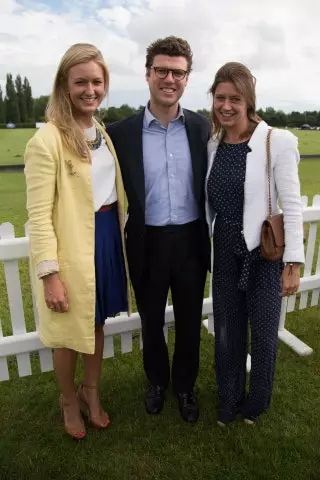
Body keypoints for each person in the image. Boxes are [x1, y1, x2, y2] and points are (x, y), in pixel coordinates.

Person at [24, 43, 131, 439]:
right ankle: (68, 399)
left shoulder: (100, 132)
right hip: (71, 247)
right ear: (64, 86)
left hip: (103, 240)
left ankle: (91, 391)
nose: (90, 89)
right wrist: (49, 273)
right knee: (69, 332)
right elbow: (37, 215)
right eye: (81, 81)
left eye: (97, 81)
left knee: (96, 323)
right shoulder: (46, 141)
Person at [108, 36, 210, 422]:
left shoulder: (202, 128)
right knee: (151, 319)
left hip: (190, 240)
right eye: (162, 71)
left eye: (178, 72)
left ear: (187, 77)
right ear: (148, 74)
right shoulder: (121, 133)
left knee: (188, 320)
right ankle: (156, 381)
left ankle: (185, 387)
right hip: (146, 240)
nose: (170, 78)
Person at [205, 62, 305, 425]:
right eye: (220, 98)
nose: (226, 106)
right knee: (228, 330)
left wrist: (292, 263)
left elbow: (292, 204)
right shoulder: (214, 143)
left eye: (235, 98)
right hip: (225, 249)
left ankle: (256, 403)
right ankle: (228, 400)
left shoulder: (275, 140)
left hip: (263, 251)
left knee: (263, 334)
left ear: (249, 100)